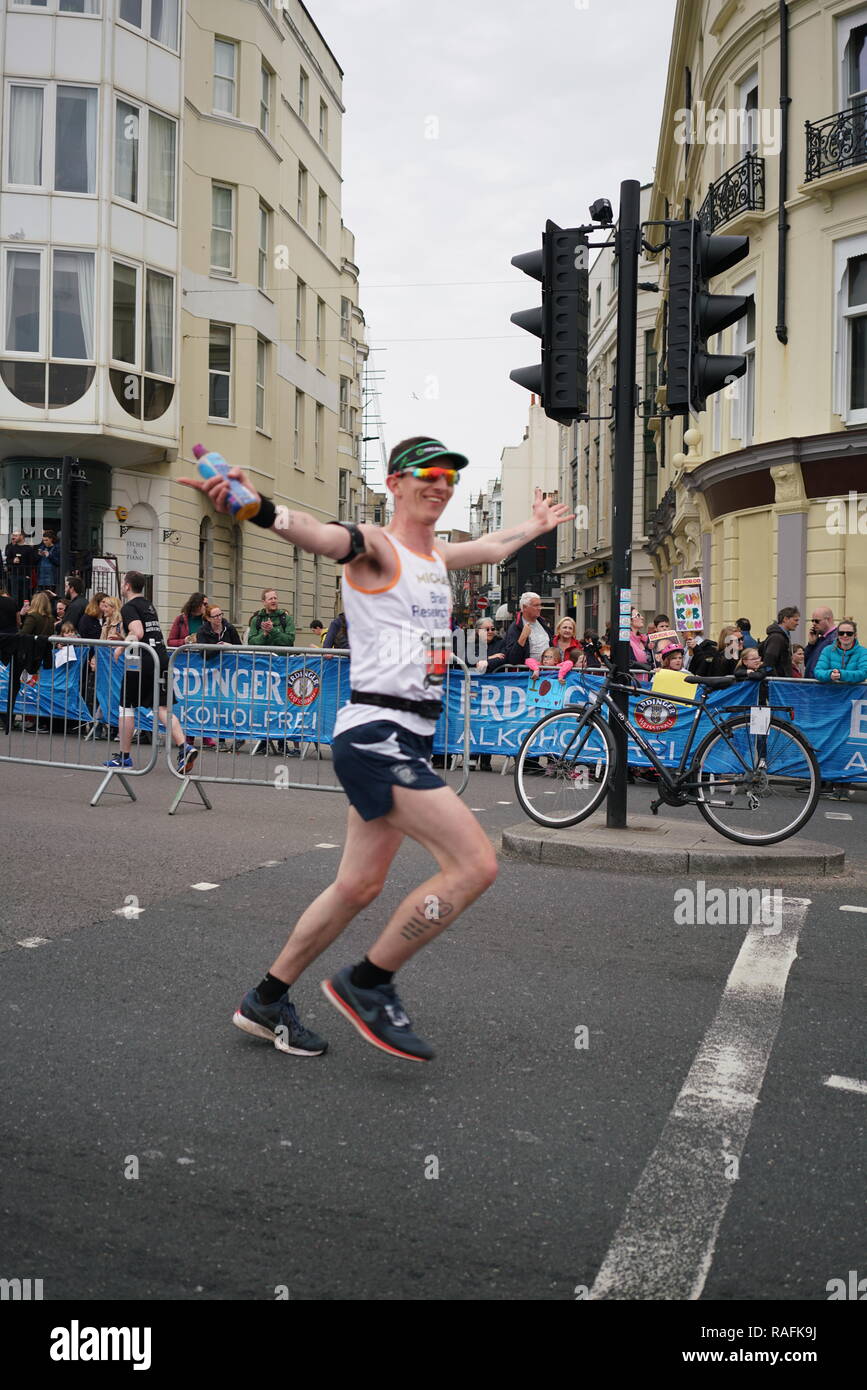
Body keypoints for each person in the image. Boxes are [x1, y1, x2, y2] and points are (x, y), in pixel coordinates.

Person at [181, 434, 573, 1062]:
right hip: (377, 737)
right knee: (475, 865)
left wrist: (535, 522)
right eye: (426, 474)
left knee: (357, 886)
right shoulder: (375, 548)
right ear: (395, 483)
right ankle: (370, 980)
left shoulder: (437, 558)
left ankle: (266, 998)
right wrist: (258, 509)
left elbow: (494, 545)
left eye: (449, 476)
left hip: (404, 741)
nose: (440, 485)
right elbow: (319, 534)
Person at [103, 571, 198, 773]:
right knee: (162, 707)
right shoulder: (148, 605)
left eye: (123, 584)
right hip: (160, 657)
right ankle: (184, 747)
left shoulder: (129, 607)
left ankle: (124, 757)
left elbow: (138, 632)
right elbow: (145, 633)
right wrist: (124, 639)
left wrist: (121, 648)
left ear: (127, 586)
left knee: (126, 706)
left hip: (141, 661)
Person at [504, 592, 551, 667]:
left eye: (540, 605)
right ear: (525, 607)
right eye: (536, 605)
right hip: (527, 674)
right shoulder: (515, 627)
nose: (540, 608)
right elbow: (512, 659)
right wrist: (523, 637)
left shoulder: (543, 623)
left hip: (546, 672)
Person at [814, 619, 867, 684]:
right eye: (841, 633)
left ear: (855, 635)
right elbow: (818, 671)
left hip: (854, 693)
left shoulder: (863, 652)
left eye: (849, 633)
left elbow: (864, 673)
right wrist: (830, 674)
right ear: (837, 635)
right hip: (831, 692)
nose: (845, 635)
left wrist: (841, 674)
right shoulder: (827, 650)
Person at [760, 606, 800, 678]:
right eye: (795, 620)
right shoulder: (777, 638)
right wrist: (777, 679)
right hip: (778, 684)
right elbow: (769, 663)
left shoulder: (782, 636)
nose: (797, 623)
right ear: (785, 619)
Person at [804, 607, 838, 679]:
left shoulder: (835, 639)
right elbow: (806, 662)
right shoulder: (820, 639)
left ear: (828, 620)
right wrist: (811, 644)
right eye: (812, 621)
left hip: (823, 685)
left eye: (817, 621)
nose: (813, 624)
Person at [5, 531, 35, 605]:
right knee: (14, 596)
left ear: (21, 536)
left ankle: (24, 614)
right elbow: (7, 560)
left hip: (25, 576)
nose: (13, 537)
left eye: (16, 535)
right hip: (14, 575)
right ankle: (15, 613)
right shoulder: (11, 548)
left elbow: (32, 562)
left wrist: (28, 575)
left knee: (25, 596)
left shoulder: (28, 548)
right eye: (13, 535)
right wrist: (13, 560)